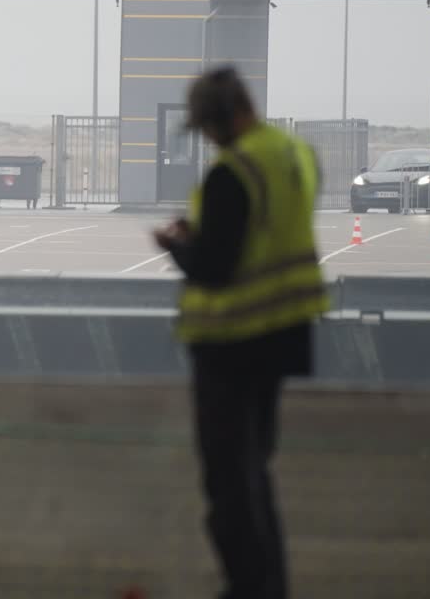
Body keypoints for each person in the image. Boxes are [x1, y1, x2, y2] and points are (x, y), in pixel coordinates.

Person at [152, 67, 327, 599]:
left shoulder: (234, 171)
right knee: (256, 474)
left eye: (208, 126)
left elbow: (216, 266)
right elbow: (271, 230)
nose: (207, 137)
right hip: (283, 335)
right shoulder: (295, 154)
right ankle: (269, 585)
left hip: (232, 341)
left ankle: (248, 588)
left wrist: (177, 245)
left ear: (228, 117)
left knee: (228, 483)